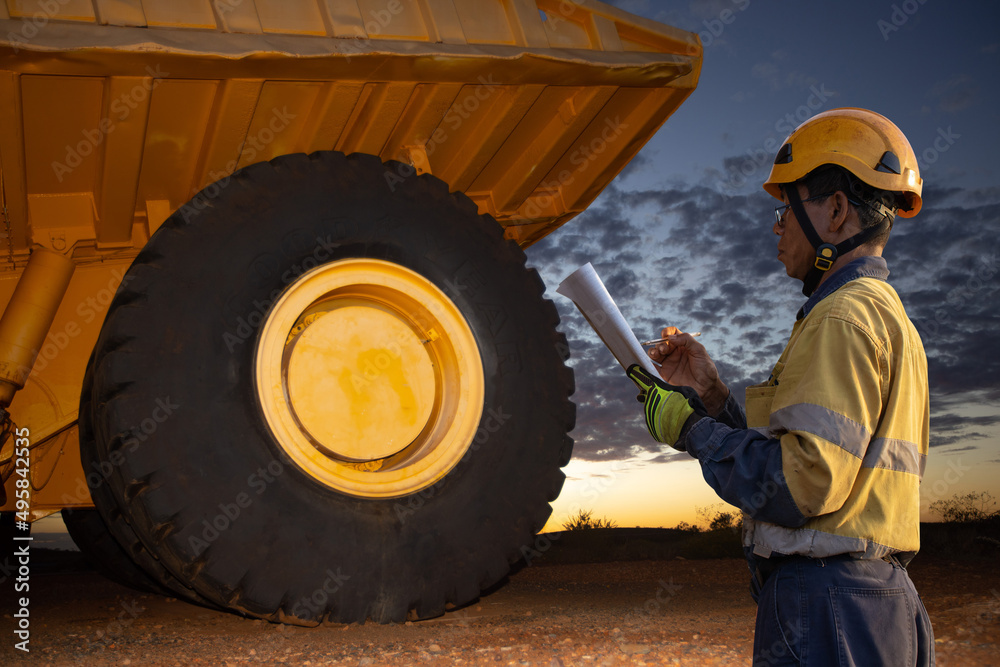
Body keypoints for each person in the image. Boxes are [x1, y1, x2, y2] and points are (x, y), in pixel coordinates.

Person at [626, 108, 934, 666]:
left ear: (836, 210)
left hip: (828, 604)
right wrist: (715, 397)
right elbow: (817, 456)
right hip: (872, 603)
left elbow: (801, 486)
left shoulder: (841, 318)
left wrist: (691, 429)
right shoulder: (884, 317)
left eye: (785, 208)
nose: (777, 227)